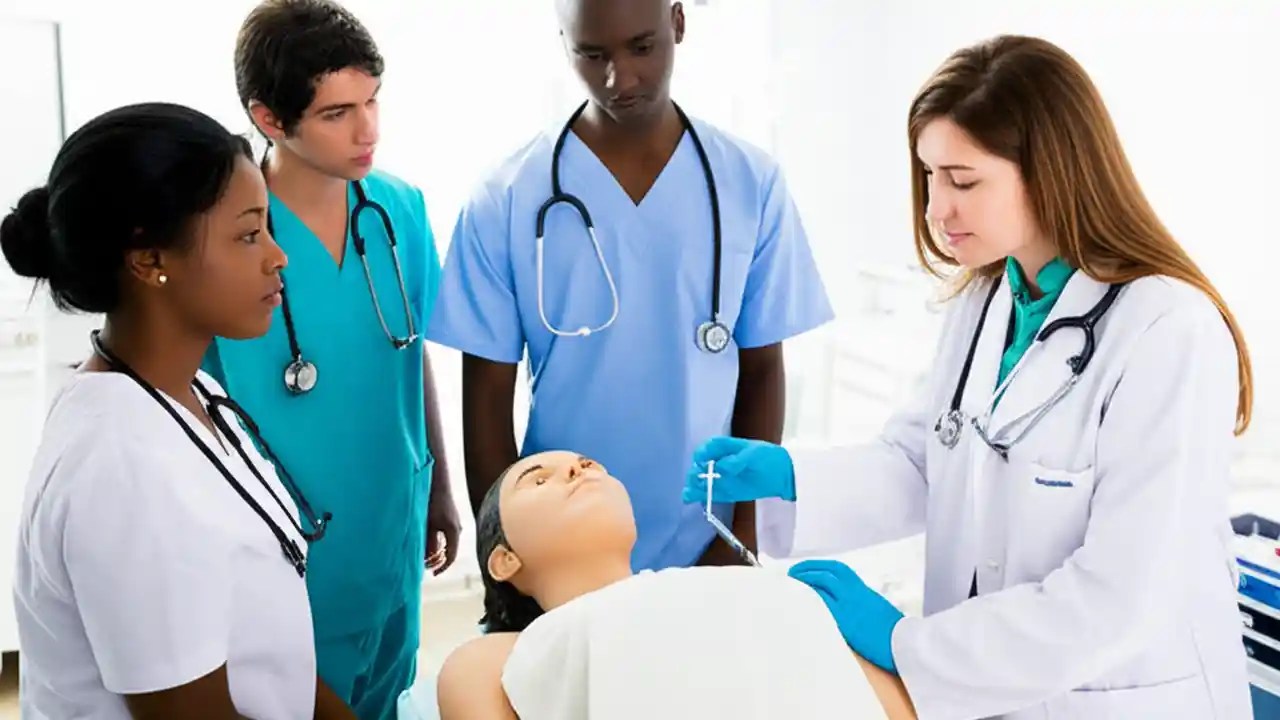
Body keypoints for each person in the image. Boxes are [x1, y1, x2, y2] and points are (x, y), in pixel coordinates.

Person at [686, 34, 1255, 719]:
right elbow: (925, 461)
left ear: (1050, 172)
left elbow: (1122, 595)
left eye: (963, 181)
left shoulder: (1168, 332)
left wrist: (909, 645)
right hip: (993, 693)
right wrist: (790, 478)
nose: (935, 210)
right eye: (929, 176)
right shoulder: (987, 300)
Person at [427, 0, 833, 572]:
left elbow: (762, 368)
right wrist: (513, 559)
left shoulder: (750, 183)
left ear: (679, 23)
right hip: (559, 549)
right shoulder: (507, 195)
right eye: (592, 55)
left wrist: (739, 538)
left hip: (707, 539)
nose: (620, 79)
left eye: (642, 47)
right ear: (562, 39)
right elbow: (488, 400)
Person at [3, 102, 356, 719]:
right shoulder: (121, 467)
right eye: (248, 234)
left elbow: (272, 668)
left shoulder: (190, 396)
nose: (279, 257)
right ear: (148, 260)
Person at [201, 2, 459, 717]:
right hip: (287, 555)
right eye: (338, 112)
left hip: (391, 527)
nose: (368, 129)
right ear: (270, 118)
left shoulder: (399, 208)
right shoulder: (222, 236)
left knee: (387, 691)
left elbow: (410, 351)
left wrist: (439, 485)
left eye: (373, 99)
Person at [432, 450, 919, 719]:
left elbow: (907, 707)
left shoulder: (760, 588)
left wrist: (907, 648)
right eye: (538, 480)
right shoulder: (496, 658)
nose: (577, 468)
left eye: (587, 464)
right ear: (504, 560)